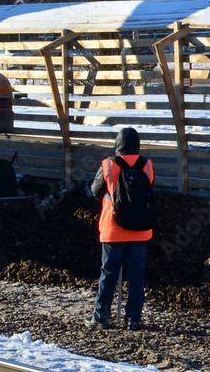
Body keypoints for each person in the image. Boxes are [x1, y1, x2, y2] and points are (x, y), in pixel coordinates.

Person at [86, 126, 154, 331]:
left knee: (108, 273)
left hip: (114, 230)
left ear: (118, 144)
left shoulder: (109, 164)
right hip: (141, 230)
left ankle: (101, 318)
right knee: (136, 275)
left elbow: (95, 191)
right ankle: (133, 319)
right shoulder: (147, 164)